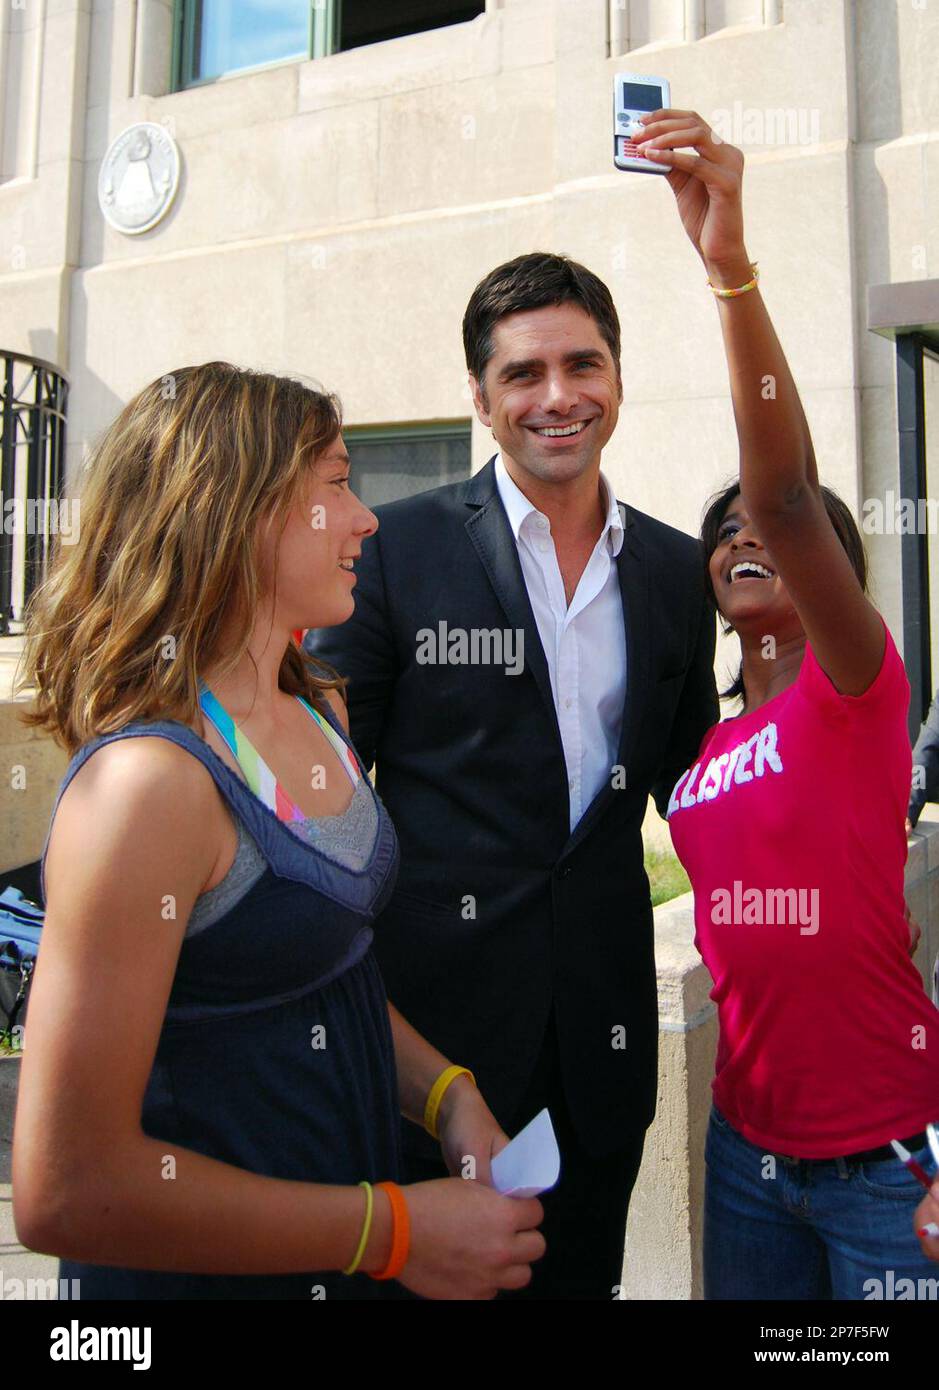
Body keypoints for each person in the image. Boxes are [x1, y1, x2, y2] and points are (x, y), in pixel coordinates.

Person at [11, 362, 545, 1300]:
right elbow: (66, 1190)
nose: (366, 518)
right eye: (336, 484)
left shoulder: (321, 706)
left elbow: (321, 970)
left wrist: (446, 1096)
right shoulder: (150, 786)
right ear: (241, 510)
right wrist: (392, 1233)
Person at [305, 255, 720, 1292]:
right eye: (524, 373)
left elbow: (700, 794)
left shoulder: (673, 569)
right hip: (431, 1053)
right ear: (481, 400)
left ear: (619, 377)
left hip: (605, 1050)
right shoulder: (394, 549)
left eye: (584, 364)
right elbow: (323, 785)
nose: (558, 395)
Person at [646, 107, 939, 1298]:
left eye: (761, 526)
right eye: (720, 534)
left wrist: (730, 269)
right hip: (746, 1157)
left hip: (887, 1166)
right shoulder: (707, 744)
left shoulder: (856, 687)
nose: (741, 535)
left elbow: (783, 491)